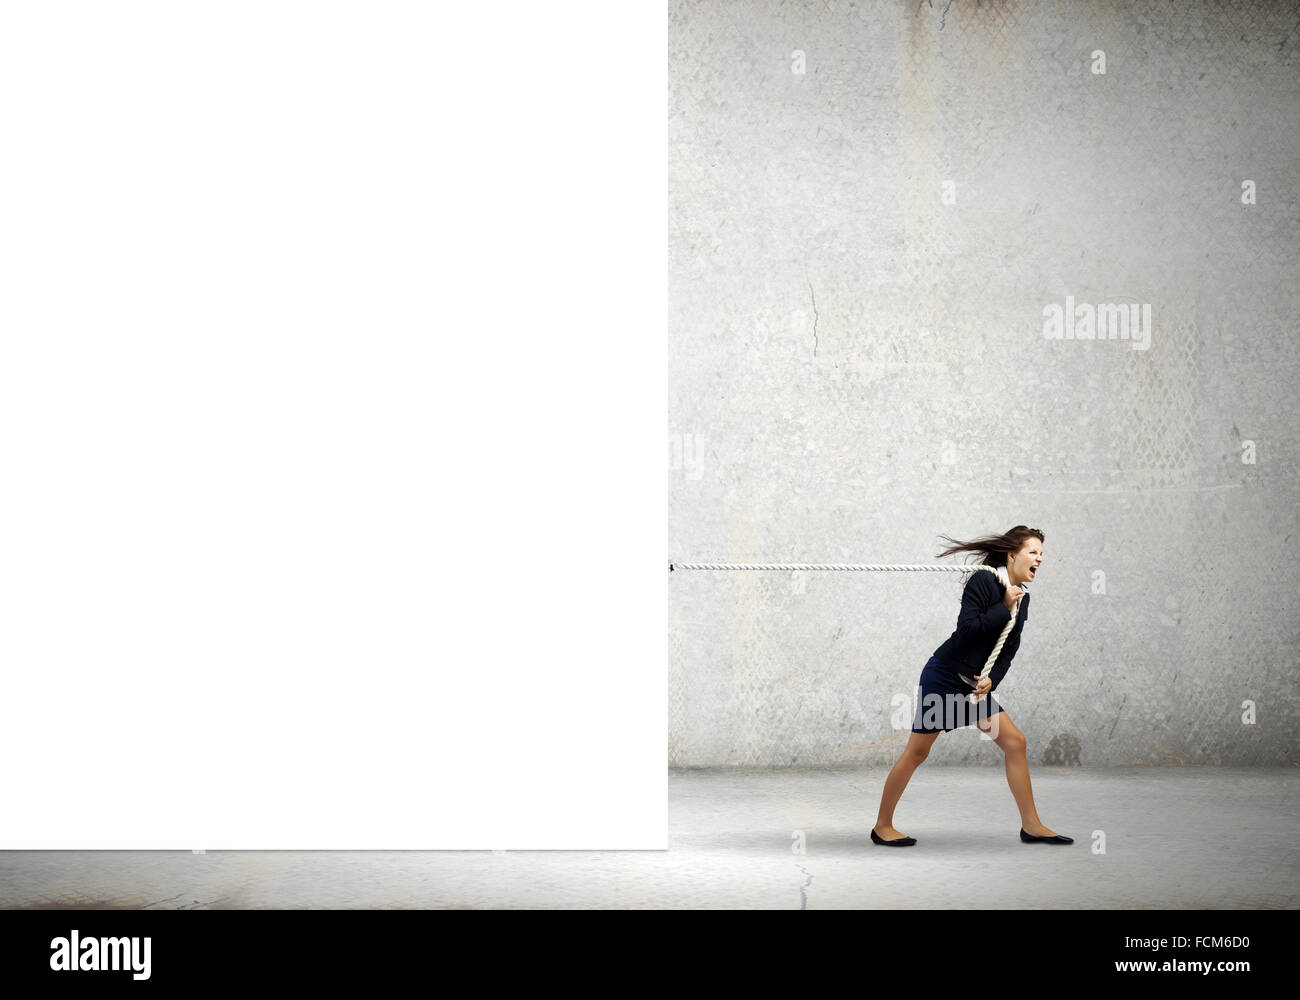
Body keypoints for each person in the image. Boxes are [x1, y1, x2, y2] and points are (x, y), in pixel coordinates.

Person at [870, 525, 1072, 846]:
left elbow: (1008, 649)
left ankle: (1031, 825)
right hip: (945, 678)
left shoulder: (1024, 598)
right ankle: (882, 826)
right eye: (1033, 552)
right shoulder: (985, 581)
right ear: (1012, 555)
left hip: (973, 689)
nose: (1040, 559)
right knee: (918, 752)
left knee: (1015, 743)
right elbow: (967, 630)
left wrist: (993, 680)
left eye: (1042, 554)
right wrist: (1002, 605)